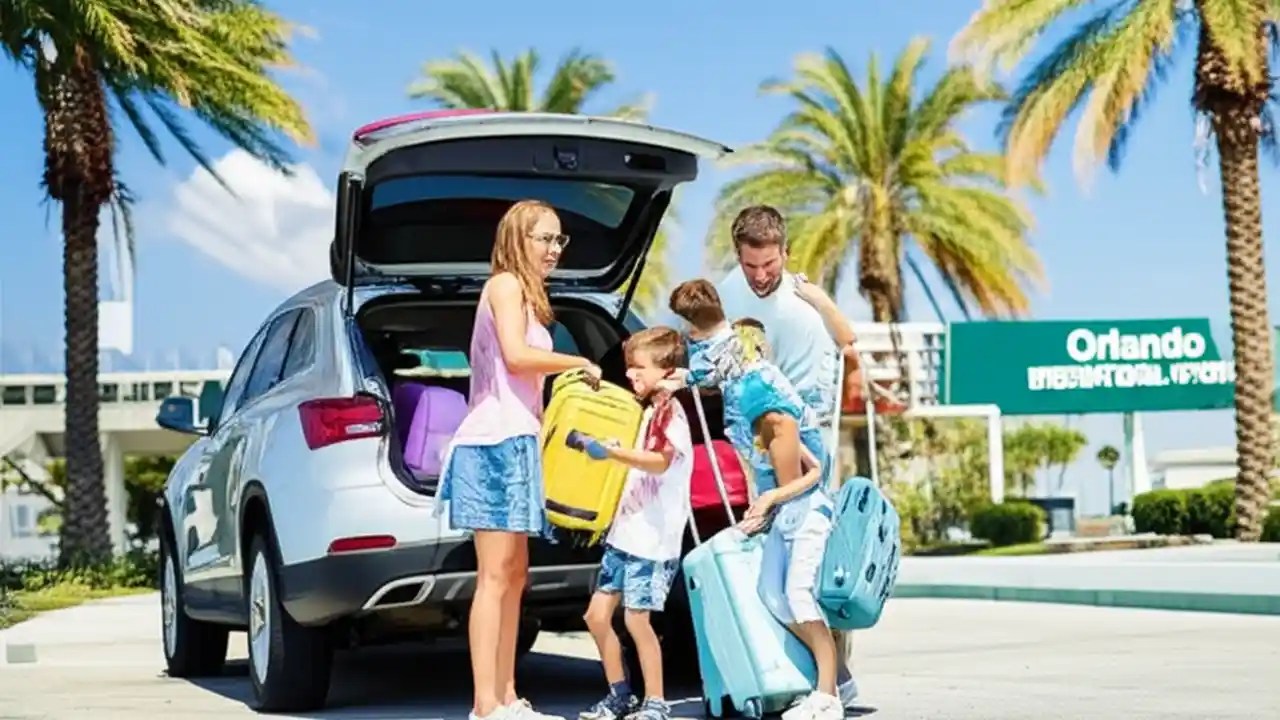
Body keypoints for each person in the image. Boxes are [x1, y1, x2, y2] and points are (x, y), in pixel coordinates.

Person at [437, 199, 602, 720]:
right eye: (544, 238)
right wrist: (577, 361)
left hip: (519, 440)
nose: (554, 249)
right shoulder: (505, 285)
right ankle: (485, 704)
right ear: (517, 238)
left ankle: (508, 697)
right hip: (491, 442)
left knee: (515, 575)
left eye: (559, 240)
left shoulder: (532, 296)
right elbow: (514, 356)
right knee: (494, 575)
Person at [663, 282, 843, 720]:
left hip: (802, 513)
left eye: (694, 339)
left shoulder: (769, 411)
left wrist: (763, 508)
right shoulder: (748, 379)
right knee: (771, 594)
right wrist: (682, 379)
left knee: (798, 596)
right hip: (785, 512)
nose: (693, 349)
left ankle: (828, 694)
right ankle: (830, 679)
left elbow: (802, 481)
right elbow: (714, 370)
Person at [714, 205, 862, 708]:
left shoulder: (802, 298)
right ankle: (822, 677)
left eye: (769, 265)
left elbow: (847, 343)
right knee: (776, 582)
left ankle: (831, 684)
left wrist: (821, 301)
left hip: (804, 435)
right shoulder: (726, 295)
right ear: (738, 255)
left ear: (785, 253)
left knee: (806, 570)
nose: (760, 275)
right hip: (761, 442)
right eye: (751, 265)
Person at [573, 327, 694, 720]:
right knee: (596, 616)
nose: (629, 374)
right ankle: (619, 694)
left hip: (652, 542)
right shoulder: (647, 413)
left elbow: (659, 461)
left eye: (638, 367)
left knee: (637, 620)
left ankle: (655, 702)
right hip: (625, 535)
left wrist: (613, 453)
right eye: (628, 367)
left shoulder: (672, 415)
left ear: (666, 369)